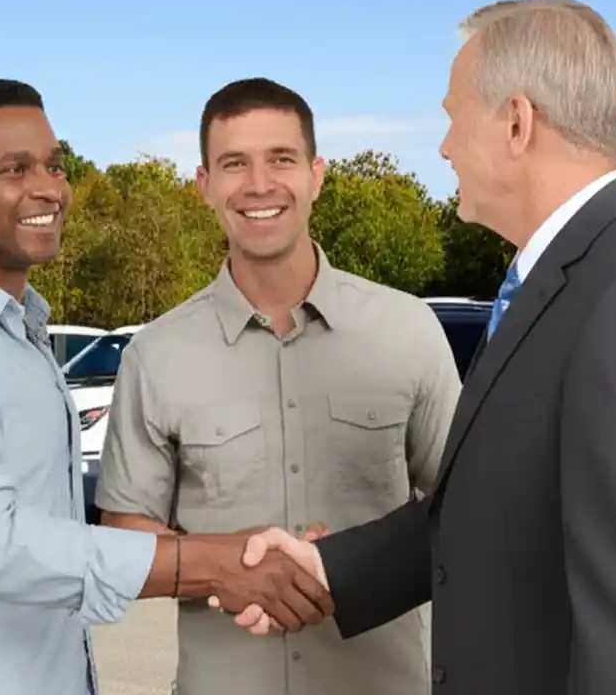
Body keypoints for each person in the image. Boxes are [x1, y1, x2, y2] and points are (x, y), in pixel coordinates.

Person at [227, 0, 616, 695]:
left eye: (453, 118)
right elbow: (499, 509)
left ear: (516, 122)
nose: (444, 147)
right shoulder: (561, 283)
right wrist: (329, 568)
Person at [0, 78, 333, 695]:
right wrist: (215, 565)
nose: (49, 187)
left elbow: (59, 536)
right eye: (15, 169)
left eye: (54, 164)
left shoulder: (17, 329)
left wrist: (236, 549)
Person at [93, 77, 460, 695]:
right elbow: (123, 544)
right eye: (235, 163)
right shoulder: (155, 355)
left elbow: (469, 509)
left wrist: (350, 568)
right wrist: (226, 569)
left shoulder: (408, 332)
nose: (259, 184)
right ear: (204, 186)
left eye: (281, 159)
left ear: (317, 174)